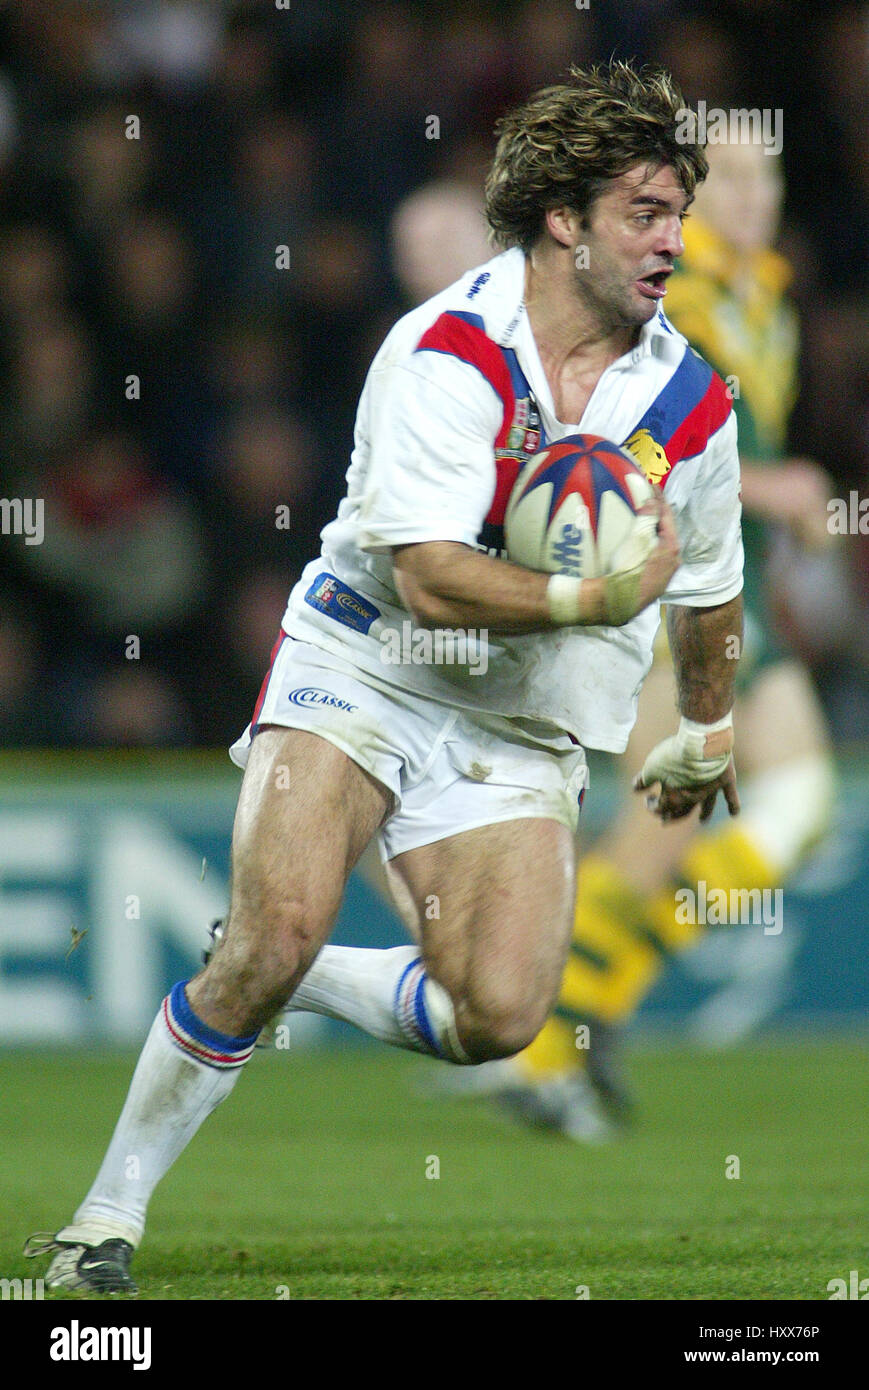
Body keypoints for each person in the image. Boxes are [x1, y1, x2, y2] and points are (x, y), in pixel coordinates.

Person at [26, 61, 743, 1294]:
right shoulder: (446, 349)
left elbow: (712, 586)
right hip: (367, 659)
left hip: (517, 722)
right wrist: (589, 595)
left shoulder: (687, 399)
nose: (673, 242)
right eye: (644, 212)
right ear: (563, 219)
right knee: (283, 919)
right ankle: (105, 1218)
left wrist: (712, 727)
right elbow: (426, 578)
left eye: (678, 213)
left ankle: (270, 959)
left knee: (498, 1019)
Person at [496, 135, 836, 1142]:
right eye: (721, 181)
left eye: (763, 176)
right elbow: (605, 444)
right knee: (663, 820)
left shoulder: (757, 297)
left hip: (731, 596)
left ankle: (590, 1006)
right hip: (657, 595)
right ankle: (538, 1039)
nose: (748, 197)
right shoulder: (656, 307)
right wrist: (773, 488)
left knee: (792, 797)